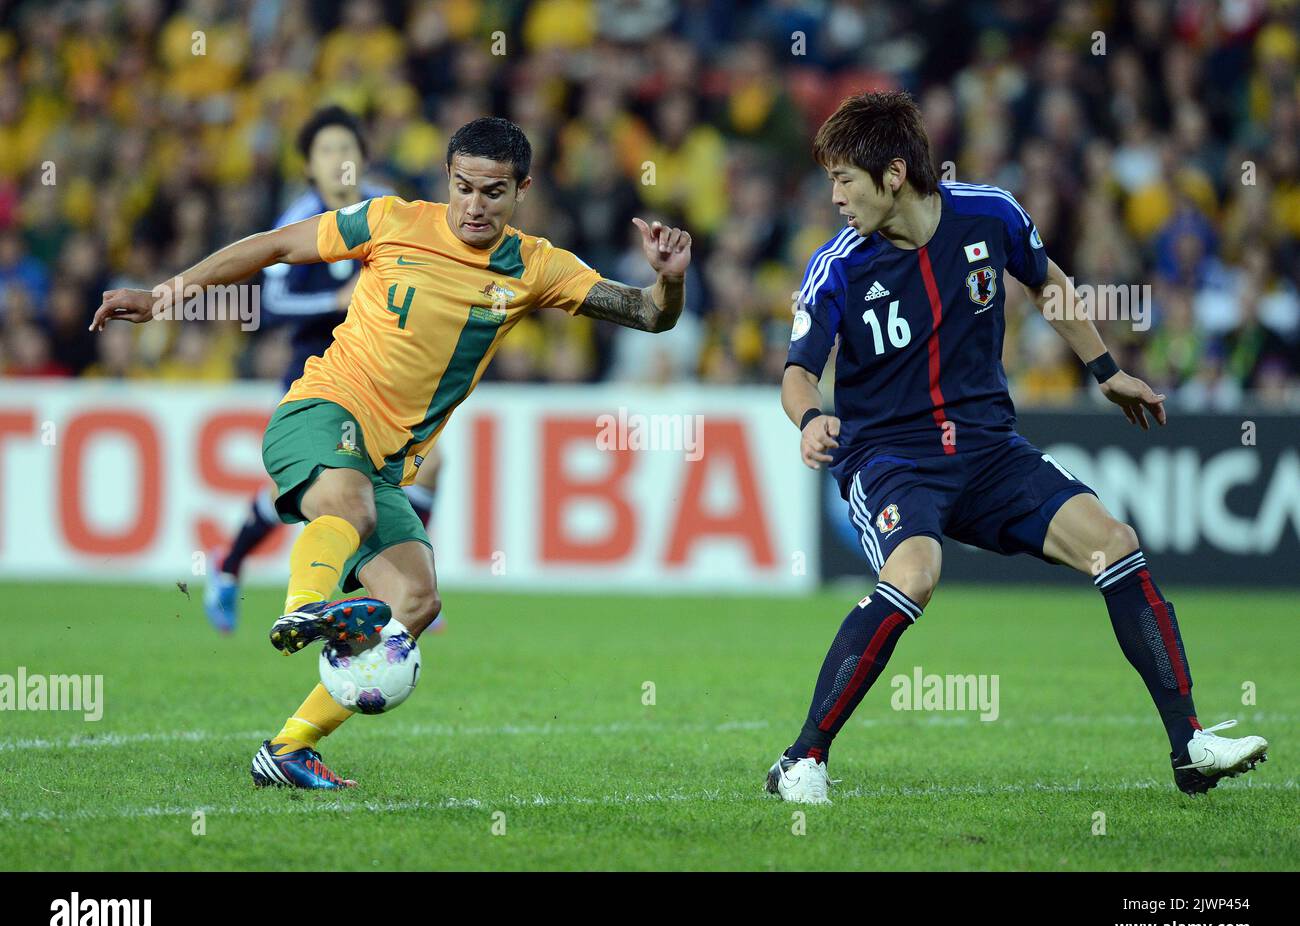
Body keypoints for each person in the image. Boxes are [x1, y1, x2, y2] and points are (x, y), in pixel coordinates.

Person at [93, 117, 692, 790]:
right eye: (463, 187)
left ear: (522, 190)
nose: (474, 205)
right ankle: (304, 605)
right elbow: (275, 247)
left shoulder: (536, 267)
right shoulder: (388, 219)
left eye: (493, 192)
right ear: (447, 180)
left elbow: (647, 313)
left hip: (383, 464)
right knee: (351, 504)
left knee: (416, 598)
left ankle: (289, 748)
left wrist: (669, 282)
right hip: (320, 411)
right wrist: (163, 295)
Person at [766, 91, 1267, 804]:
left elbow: (1049, 284)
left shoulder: (991, 213)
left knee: (1114, 541)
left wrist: (1108, 370)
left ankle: (1189, 745)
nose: (836, 196)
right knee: (915, 573)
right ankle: (802, 759)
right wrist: (811, 417)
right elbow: (794, 373)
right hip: (891, 459)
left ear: (895, 173)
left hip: (989, 452)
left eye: (845, 178)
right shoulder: (839, 265)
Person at [202, 105, 445, 635]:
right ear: (309, 166)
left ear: (364, 158)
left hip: (382, 375)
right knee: (319, 486)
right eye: (327, 150)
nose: (340, 160)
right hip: (319, 372)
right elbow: (272, 302)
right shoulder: (300, 218)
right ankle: (230, 566)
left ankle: (401, 584)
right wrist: (338, 298)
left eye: (348, 149)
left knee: (429, 463)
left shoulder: (387, 210)